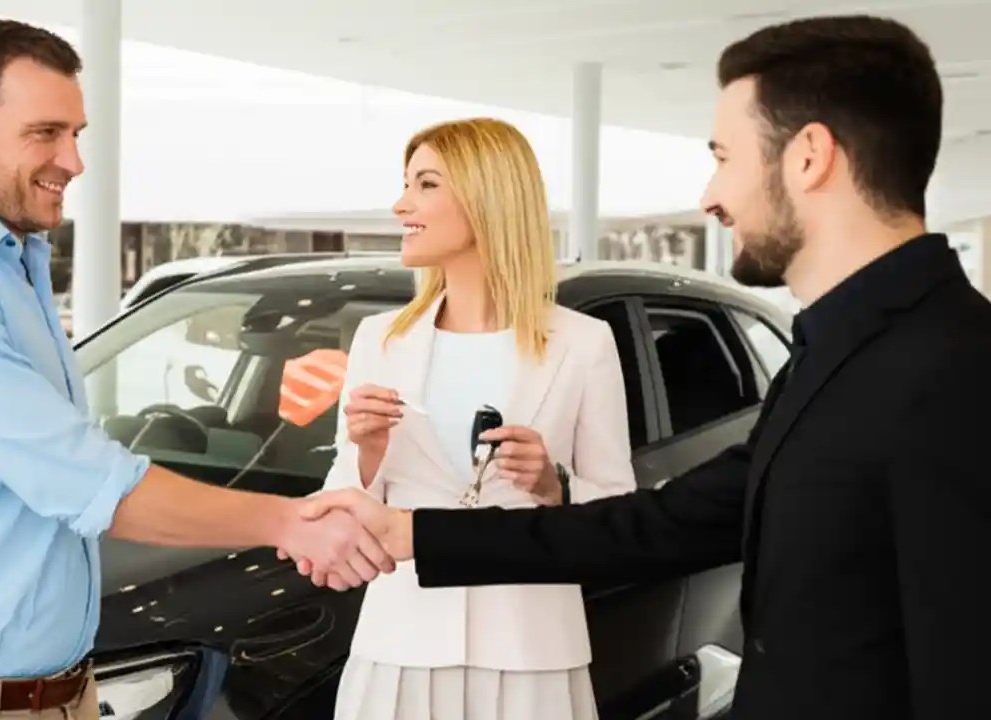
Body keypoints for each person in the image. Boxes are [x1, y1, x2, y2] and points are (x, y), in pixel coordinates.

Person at [296, 14, 991, 720]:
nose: (709, 196)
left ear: (810, 156)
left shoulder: (958, 370)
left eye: (724, 156)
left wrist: (540, 487)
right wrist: (411, 530)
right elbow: (660, 526)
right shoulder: (835, 356)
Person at [0, 19, 392, 720]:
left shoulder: (14, 268)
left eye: (77, 132)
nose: (74, 160)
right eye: (45, 132)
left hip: (61, 696)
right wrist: (291, 521)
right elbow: (83, 479)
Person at [312, 117, 636, 719]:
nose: (401, 204)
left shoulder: (584, 343)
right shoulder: (378, 339)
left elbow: (621, 516)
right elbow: (341, 503)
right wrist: (367, 451)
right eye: (406, 183)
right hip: (399, 647)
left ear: (488, 196)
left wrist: (553, 484)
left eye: (425, 184)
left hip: (531, 650)